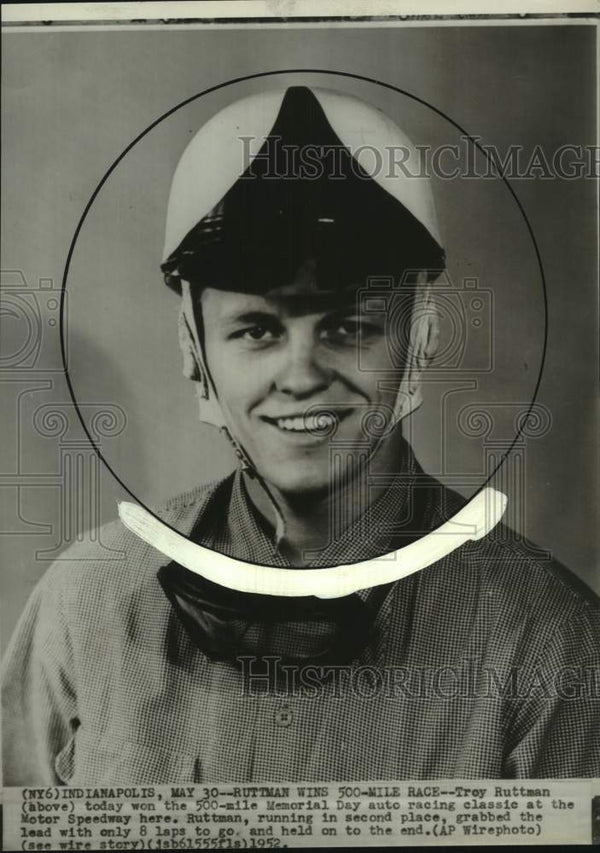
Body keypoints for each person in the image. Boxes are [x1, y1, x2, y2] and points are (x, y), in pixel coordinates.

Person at [2, 85, 599, 786]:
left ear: (423, 336)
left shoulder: (549, 642)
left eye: (348, 326)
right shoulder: (89, 603)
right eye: (257, 329)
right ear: (195, 350)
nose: (301, 374)